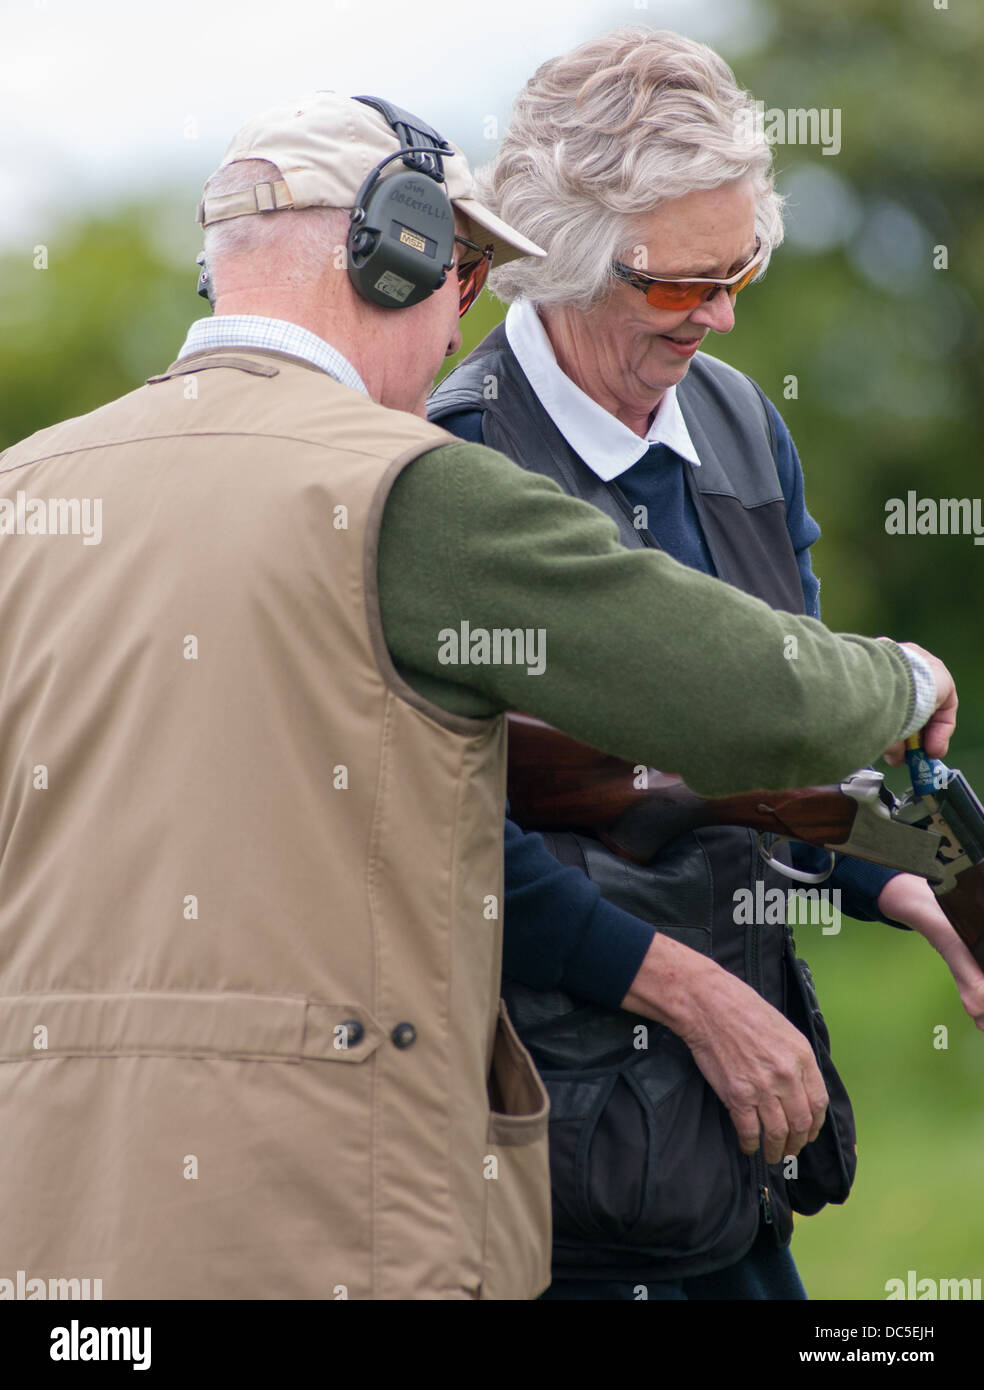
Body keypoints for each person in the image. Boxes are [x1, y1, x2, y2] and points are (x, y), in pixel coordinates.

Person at [0, 88, 957, 1301]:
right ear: (400, 258)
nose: (464, 329)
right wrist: (906, 675)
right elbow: (753, 695)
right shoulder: (410, 482)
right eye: (463, 279)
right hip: (319, 1216)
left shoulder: (24, 488)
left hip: (57, 1229)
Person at [428, 28, 983, 1300]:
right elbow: (444, 826)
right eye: (681, 286)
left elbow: (779, 765)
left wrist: (922, 883)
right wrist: (682, 991)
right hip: (553, 1165)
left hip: (727, 1151)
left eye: (742, 268)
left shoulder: (741, 420)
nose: (723, 316)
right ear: (554, 259)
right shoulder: (448, 474)